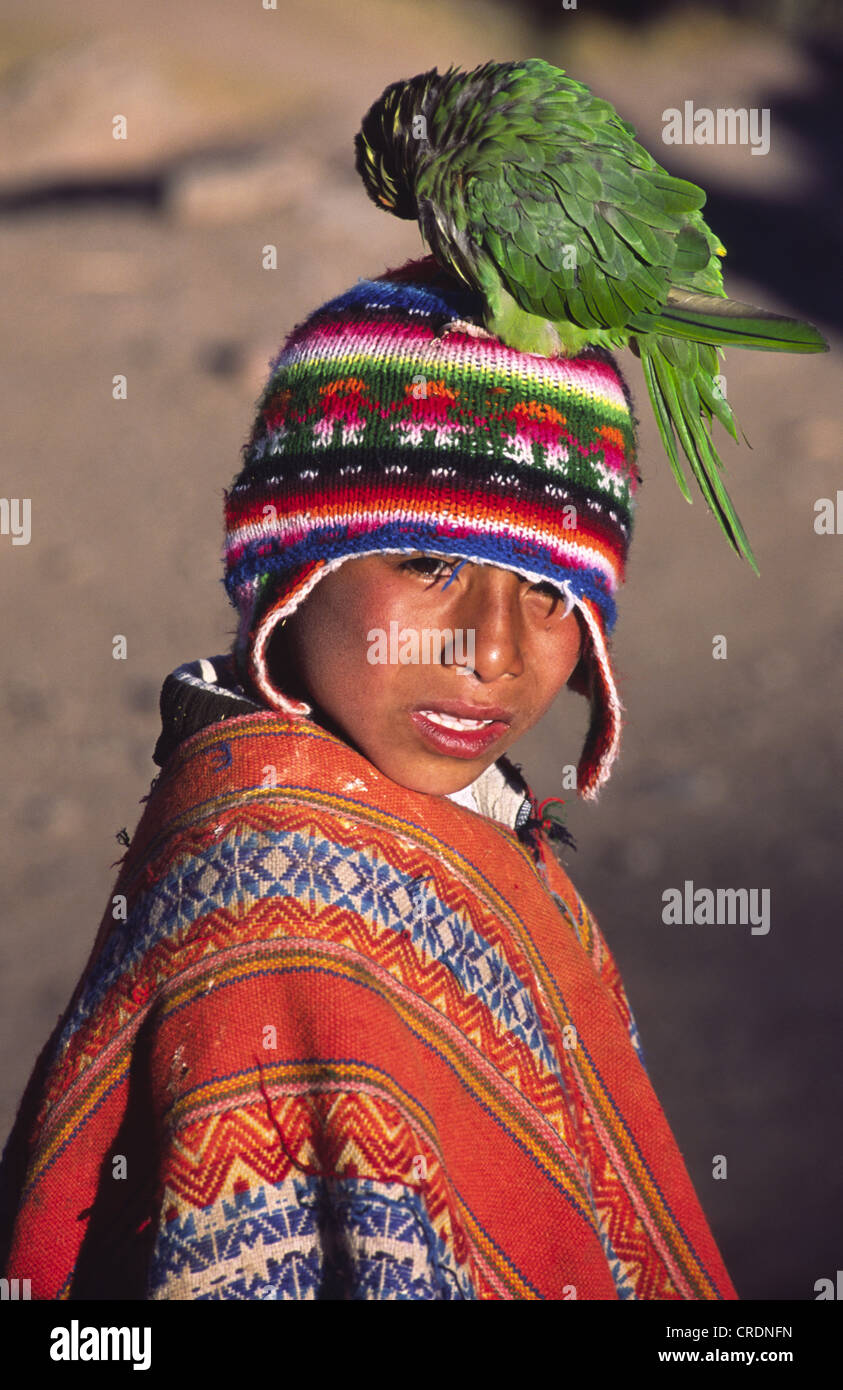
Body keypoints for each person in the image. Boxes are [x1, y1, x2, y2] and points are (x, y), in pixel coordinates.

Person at [0, 255, 737, 1300]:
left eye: (548, 589)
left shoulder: (456, 821)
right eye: (428, 564)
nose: (495, 649)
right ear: (294, 572)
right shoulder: (283, 929)